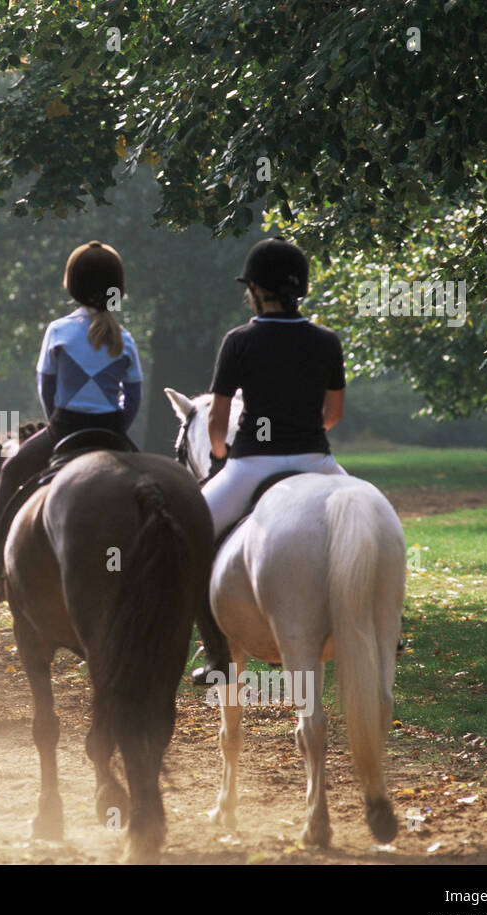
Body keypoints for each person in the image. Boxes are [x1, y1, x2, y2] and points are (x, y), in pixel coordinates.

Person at [190, 235, 348, 683]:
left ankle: (215, 652)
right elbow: (332, 415)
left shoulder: (239, 341)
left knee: (193, 532)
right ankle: (387, 627)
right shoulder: (325, 341)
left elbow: (218, 422)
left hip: (250, 465)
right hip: (317, 462)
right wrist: (304, 437)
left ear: (257, 290)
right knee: (374, 516)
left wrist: (220, 457)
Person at [0, 241, 142, 581]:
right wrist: (118, 429)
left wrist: (58, 424)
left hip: (65, 429)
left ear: (72, 285)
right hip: (112, 434)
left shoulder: (58, 331)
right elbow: (133, 399)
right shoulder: (126, 338)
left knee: (12, 468)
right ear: (115, 289)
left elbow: (46, 389)